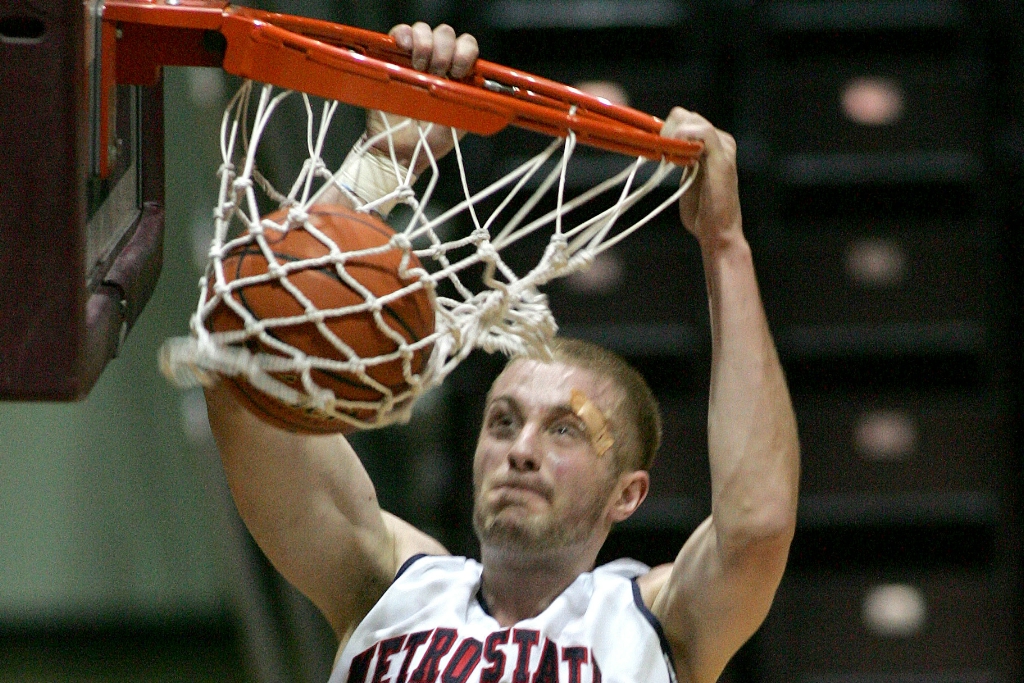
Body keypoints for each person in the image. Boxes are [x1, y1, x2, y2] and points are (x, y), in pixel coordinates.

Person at [204, 22, 800, 683]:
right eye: (504, 421)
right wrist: (386, 162)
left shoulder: (656, 620)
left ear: (626, 494)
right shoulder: (384, 580)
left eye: (565, 429)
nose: (520, 448)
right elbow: (248, 369)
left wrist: (725, 246)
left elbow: (757, 525)